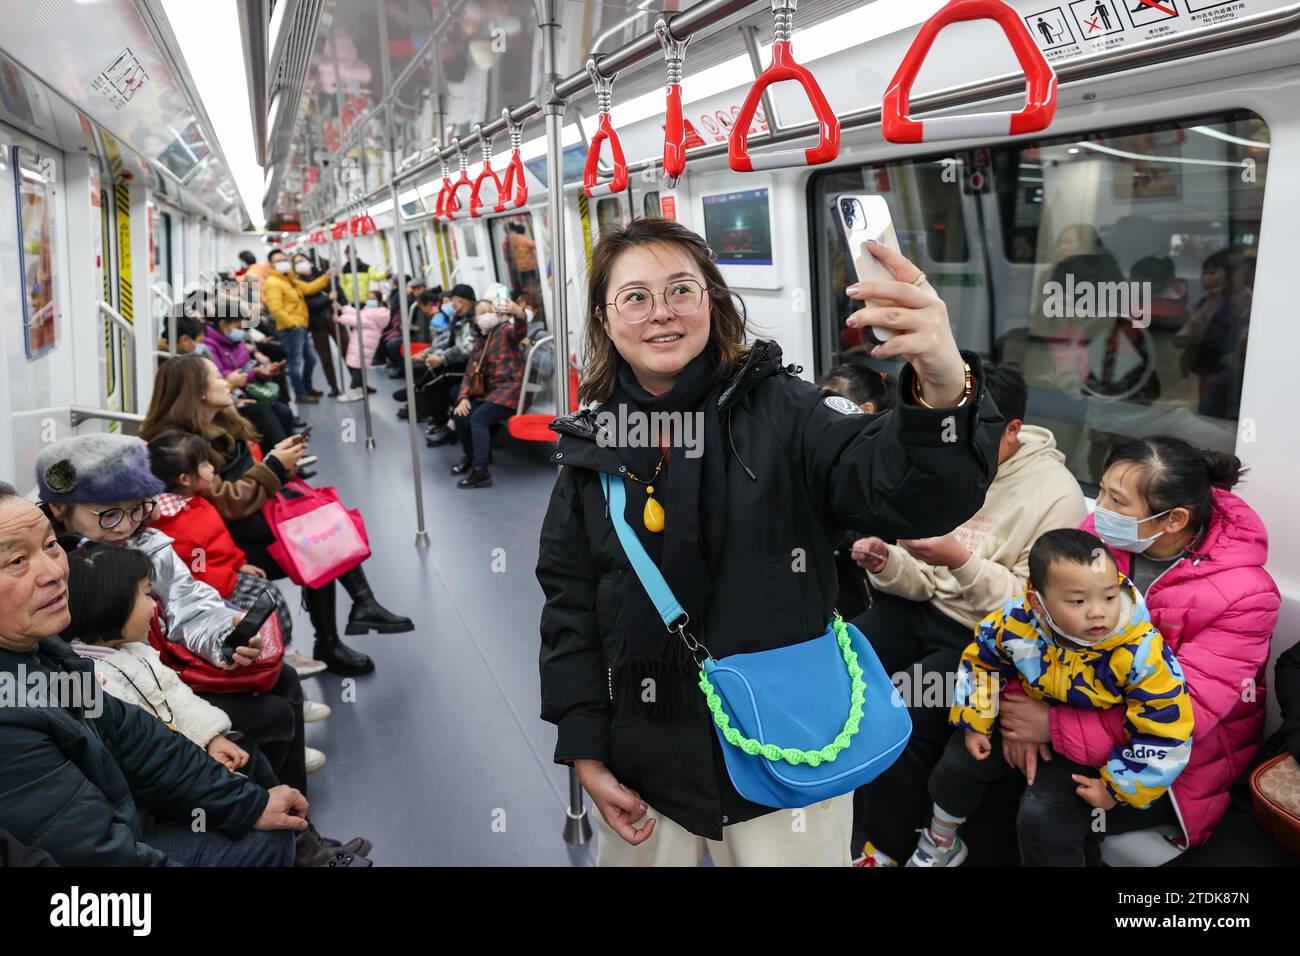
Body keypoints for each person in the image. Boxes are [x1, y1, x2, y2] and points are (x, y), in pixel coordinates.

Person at [537, 218, 1003, 866]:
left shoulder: (786, 413)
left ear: (713, 302)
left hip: (789, 758)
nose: (661, 313)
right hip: (645, 758)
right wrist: (585, 747)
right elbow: (570, 608)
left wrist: (944, 387)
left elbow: (903, 489)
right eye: (635, 297)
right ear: (604, 319)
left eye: (681, 290)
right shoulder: (594, 448)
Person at [848, 364, 1087, 865]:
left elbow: (1034, 611)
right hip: (921, 608)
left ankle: (889, 847)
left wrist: (960, 559)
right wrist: (887, 561)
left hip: (989, 642)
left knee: (903, 709)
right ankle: (847, 817)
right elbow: (919, 579)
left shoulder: (1057, 495)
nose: (955, 452)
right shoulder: (946, 465)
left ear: (1013, 431)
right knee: (844, 655)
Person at [0, 481, 308, 866]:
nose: (54, 572)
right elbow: (90, 853)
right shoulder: (10, 716)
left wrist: (246, 804)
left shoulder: (46, 650)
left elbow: (134, 737)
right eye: (16, 561)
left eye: (49, 546)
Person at [997, 437, 1279, 850]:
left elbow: (1185, 709)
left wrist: (1053, 726)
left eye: (1116, 499)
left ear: (1174, 519)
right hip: (1082, 703)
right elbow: (1040, 620)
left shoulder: (1245, 595)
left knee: (1046, 812)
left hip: (1168, 757)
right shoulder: (1100, 539)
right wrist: (1020, 706)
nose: (1101, 509)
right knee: (975, 753)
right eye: (1104, 491)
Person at [33, 433, 324, 790]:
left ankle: (295, 818)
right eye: (109, 514)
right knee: (271, 717)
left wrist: (223, 638)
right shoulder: (52, 569)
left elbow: (188, 604)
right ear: (60, 508)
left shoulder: (144, 542)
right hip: (135, 690)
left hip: (163, 667)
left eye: (136, 508)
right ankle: (281, 819)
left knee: (285, 678)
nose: (125, 525)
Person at [61, 544, 370, 866]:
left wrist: (210, 735)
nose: (155, 606)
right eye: (146, 596)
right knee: (249, 760)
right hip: (152, 792)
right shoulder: (97, 678)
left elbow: (177, 698)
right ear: (113, 605)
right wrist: (200, 755)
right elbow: (146, 750)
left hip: (176, 756)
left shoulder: (135, 652)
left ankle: (304, 840)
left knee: (245, 747)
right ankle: (301, 845)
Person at [907, 529, 1193, 867]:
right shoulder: (1017, 622)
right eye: (1078, 601)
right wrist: (977, 720)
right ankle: (941, 839)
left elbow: (1168, 730)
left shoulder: (1140, 651)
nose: (1098, 613)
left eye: (1109, 597)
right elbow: (981, 662)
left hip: (1092, 750)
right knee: (958, 760)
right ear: (1038, 604)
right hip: (1029, 714)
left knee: (1042, 812)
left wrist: (1118, 789)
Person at [141, 354, 412, 675]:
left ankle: (354, 614)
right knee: (311, 540)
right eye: (217, 377)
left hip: (233, 524)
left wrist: (278, 465)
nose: (228, 381)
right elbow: (223, 503)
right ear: (198, 391)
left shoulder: (220, 424)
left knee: (315, 525)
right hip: (214, 540)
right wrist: (273, 467)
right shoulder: (176, 447)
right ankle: (342, 627)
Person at [146, 428, 325, 679]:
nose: (212, 469)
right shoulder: (175, 524)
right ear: (186, 479)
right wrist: (221, 594)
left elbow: (219, 541)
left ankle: (284, 653)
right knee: (262, 613)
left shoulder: (194, 500)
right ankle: (278, 664)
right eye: (205, 464)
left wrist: (239, 563)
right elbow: (193, 572)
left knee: (271, 597)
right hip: (216, 592)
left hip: (227, 575)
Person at [816, 363, 895, 622]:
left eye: (831, 410)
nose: (819, 420)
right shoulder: (824, 454)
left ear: (865, 410)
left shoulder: (884, 463)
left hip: (869, 586)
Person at [450, 298, 528, 488]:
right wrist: (462, 399)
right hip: (493, 393)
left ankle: (481, 471)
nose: (486, 315)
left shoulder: (504, 331)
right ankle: (471, 458)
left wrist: (518, 313)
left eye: (488, 311)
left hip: (512, 390)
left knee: (478, 418)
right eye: (481, 313)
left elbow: (519, 330)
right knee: (461, 415)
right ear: (475, 319)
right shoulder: (480, 341)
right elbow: (470, 374)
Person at [262, 248, 331, 404]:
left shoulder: (289, 280)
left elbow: (308, 288)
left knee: (311, 359)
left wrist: (325, 278)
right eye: (278, 261)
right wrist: (292, 324)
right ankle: (300, 394)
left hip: (299, 327)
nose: (282, 263)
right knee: (295, 363)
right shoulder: (273, 283)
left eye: (284, 260)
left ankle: (307, 387)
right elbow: (275, 309)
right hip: (291, 329)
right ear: (271, 265)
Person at [297, 253, 347, 397]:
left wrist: (344, 307)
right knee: (325, 358)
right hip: (316, 324)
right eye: (297, 263)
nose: (301, 264)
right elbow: (309, 305)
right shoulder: (298, 284)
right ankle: (333, 386)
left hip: (333, 318)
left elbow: (338, 292)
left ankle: (358, 381)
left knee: (347, 350)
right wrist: (327, 298)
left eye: (302, 261)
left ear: (310, 262)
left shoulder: (325, 276)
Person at [336, 290, 390, 399]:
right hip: (360, 341)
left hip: (365, 343)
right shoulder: (370, 311)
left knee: (356, 366)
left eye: (373, 299)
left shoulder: (378, 313)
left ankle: (352, 391)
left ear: (379, 301)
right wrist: (343, 308)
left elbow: (359, 320)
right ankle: (362, 387)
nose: (370, 301)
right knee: (356, 365)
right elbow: (358, 313)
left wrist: (340, 318)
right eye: (368, 298)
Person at [508, 223, 539, 290]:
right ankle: (533, 297)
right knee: (531, 285)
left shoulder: (513, 240)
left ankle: (528, 297)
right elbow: (536, 244)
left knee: (525, 285)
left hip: (520, 267)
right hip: (528, 266)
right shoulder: (524, 240)